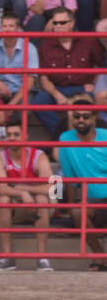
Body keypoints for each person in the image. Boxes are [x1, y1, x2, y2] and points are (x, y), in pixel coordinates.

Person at [0, 122, 55, 271]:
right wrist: (22, 193)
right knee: (3, 200)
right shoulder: (0, 157)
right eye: (9, 135)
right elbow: (1, 189)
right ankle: (7, 257)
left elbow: (52, 188)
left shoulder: (38, 155)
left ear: (25, 136)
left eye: (16, 135)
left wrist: (25, 189)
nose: (12, 138)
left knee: (42, 199)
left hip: (36, 208)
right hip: (16, 208)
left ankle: (42, 258)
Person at [32, 7, 105, 134]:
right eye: (55, 23)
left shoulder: (88, 41)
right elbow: (43, 78)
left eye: (62, 23)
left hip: (83, 87)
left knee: (98, 100)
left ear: (72, 23)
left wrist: (94, 84)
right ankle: (62, 133)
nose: (58, 26)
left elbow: (101, 65)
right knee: (38, 103)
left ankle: (92, 137)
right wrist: (56, 95)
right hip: (56, 87)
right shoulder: (45, 45)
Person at [58, 96, 107, 264]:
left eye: (85, 116)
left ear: (94, 118)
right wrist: (68, 208)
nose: (80, 120)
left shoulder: (106, 136)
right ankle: (100, 257)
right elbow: (69, 177)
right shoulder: (65, 138)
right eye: (76, 116)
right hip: (91, 198)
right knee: (77, 210)